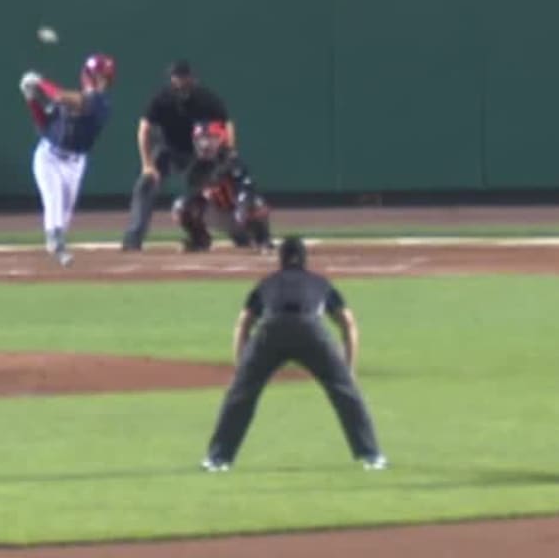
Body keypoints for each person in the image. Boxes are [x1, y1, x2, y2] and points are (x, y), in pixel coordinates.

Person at [201, 236, 386, 472]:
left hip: (270, 332)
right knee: (346, 394)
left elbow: (244, 323)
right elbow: (347, 324)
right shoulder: (320, 282)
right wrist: (348, 370)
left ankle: (218, 459)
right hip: (312, 332)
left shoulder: (266, 283)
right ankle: (372, 456)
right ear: (305, 259)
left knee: (240, 396)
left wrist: (242, 367)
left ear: (280, 259)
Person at [122, 60, 232, 251]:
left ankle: (216, 236)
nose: (180, 82)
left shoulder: (205, 98)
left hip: (198, 154)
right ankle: (133, 238)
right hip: (168, 150)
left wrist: (228, 151)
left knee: (199, 198)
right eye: (176, 77)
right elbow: (143, 129)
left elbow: (227, 123)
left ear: (192, 78)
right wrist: (148, 165)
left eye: (183, 77)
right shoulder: (162, 98)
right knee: (145, 185)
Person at [18, 54, 116, 265]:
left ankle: (55, 240)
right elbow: (44, 125)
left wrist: (41, 82)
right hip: (48, 156)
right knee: (53, 197)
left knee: (65, 210)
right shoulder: (76, 98)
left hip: (75, 162)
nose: (100, 79)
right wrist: (31, 100)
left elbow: (62, 97)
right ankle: (57, 240)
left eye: (103, 76)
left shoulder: (100, 103)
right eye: (97, 74)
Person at [175, 120, 273, 252]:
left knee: (257, 205)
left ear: (221, 139)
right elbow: (189, 194)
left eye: (210, 139)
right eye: (201, 139)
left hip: (237, 211)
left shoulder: (231, 161)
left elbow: (248, 188)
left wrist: (242, 208)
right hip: (214, 212)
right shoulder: (194, 166)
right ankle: (199, 240)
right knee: (180, 207)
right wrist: (203, 192)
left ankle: (261, 239)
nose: (205, 144)